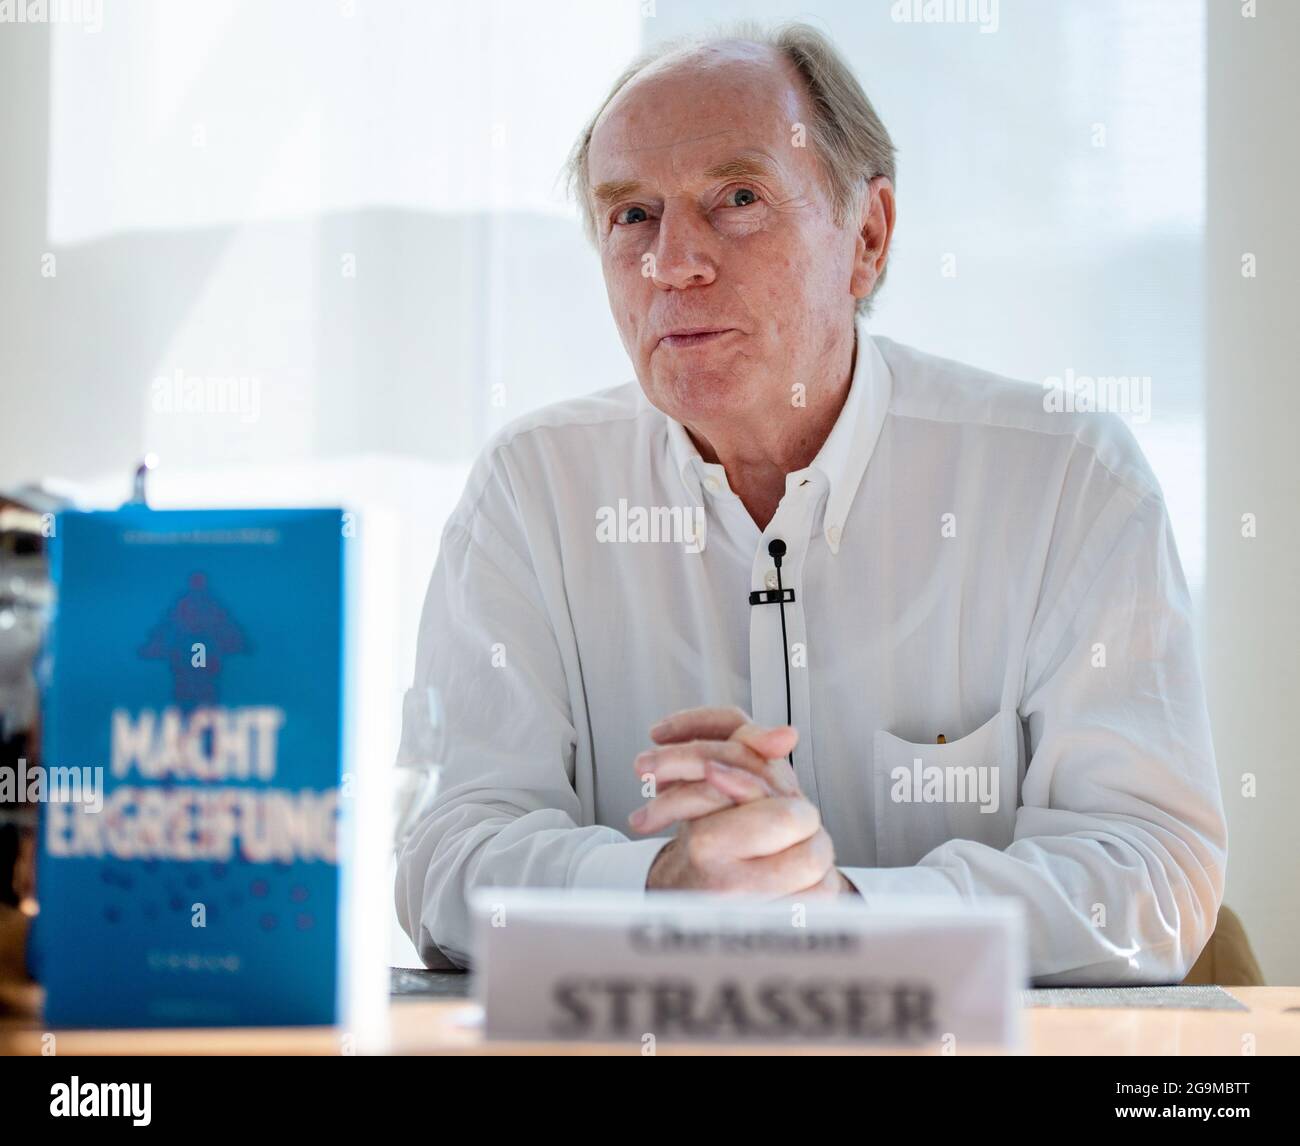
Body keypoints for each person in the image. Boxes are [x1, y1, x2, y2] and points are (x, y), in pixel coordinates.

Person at [394, 23, 1226, 985]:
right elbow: (442, 854)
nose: (674, 263)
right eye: (632, 216)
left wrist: (842, 915)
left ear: (866, 238)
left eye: (738, 199)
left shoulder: (1068, 481)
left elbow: (1155, 869)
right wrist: (661, 887)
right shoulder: (532, 489)